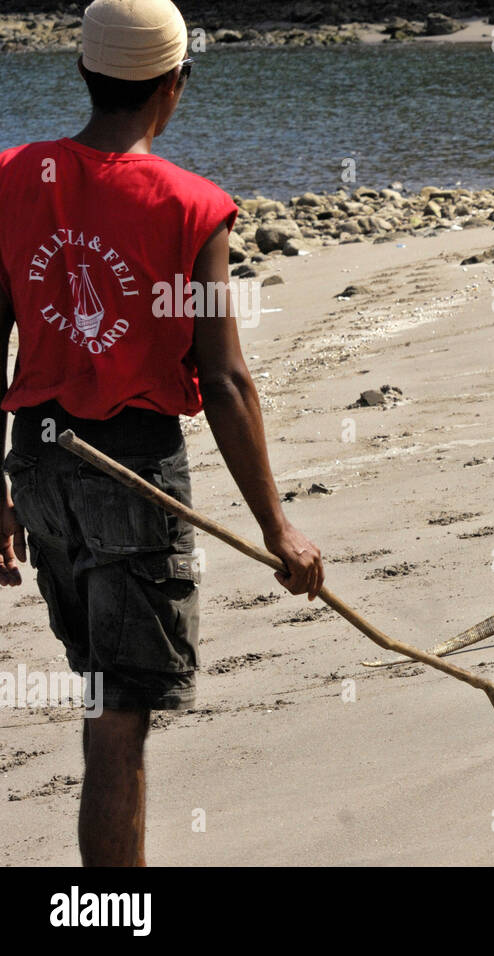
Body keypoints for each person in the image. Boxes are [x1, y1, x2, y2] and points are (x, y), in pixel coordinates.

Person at [0, 0, 324, 866]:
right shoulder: (192, 207)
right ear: (174, 86)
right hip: (133, 469)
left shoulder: (13, 176)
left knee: (103, 690)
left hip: (37, 462)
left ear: (82, 73)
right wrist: (277, 527)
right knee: (119, 716)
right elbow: (222, 378)